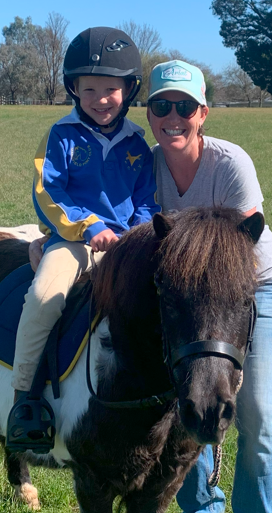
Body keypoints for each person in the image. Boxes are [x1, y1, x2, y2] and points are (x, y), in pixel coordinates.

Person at [29, 58, 272, 513]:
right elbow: (125, 212)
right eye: (161, 105)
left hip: (248, 288)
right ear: (148, 111)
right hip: (187, 295)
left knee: (258, 414)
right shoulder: (143, 160)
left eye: (184, 107)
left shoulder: (230, 162)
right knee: (185, 398)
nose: (172, 116)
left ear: (202, 113)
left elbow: (239, 241)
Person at [9, 27, 160, 436]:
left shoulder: (138, 145)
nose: (99, 100)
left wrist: (137, 235)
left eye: (110, 90)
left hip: (127, 245)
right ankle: (24, 398)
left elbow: (148, 200)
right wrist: (88, 227)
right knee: (43, 298)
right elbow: (48, 192)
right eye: (88, 89)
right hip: (74, 243)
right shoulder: (61, 135)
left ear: (129, 90)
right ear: (73, 88)